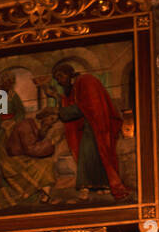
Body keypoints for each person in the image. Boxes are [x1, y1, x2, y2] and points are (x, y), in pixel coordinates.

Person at [45, 61, 129, 201]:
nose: (59, 81)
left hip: (98, 124)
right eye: (56, 79)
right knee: (89, 152)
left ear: (68, 73)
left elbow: (89, 106)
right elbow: (72, 105)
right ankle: (98, 186)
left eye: (60, 77)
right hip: (91, 125)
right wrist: (55, 97)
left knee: (90, 152)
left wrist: (59, 111)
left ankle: (96, 186)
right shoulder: (76, 86)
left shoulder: (86, 81)